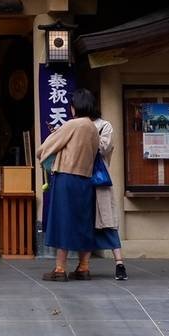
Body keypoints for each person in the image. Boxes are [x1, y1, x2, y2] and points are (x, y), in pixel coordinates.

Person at [37, 88, 101, 280]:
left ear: (76, 106)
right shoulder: (93, 128)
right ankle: (83, 267)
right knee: (83, 223)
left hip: (66, 177)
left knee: (62, 221)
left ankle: (59, 269)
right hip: (86, 179)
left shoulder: (73, 125)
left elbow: (44, 149)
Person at [93, 106, 125, 280]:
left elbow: (104, 148)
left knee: (108, 221)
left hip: (99, 180)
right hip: (80, 179)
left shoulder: (105, 125)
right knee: (84, 222)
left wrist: (86, 136)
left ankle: (119, 263)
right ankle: (83, 265)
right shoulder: (74, 124)